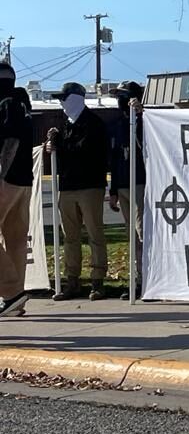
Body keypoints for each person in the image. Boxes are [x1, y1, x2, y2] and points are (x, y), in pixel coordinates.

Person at [45, 82, 109, 301]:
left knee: (95, 234)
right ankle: (72, 280)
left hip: (90, 186)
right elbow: (64, 153)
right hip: (68, 186)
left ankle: (98, 281)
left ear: (76, 98)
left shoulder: (94, 124)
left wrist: (60, 144)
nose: (61, 103)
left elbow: (84, 151)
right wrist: (51, 146)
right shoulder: (63, 126)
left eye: (64, 98)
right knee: (69, 237)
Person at [0, 64, 33, 317]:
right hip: (24, 179)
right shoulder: (23, 101)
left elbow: (11, 139)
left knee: (15, 238)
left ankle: (11, 292)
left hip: (8, 179)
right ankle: (16, 300)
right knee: (16, 239)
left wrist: (1, 176)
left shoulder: (7, 103)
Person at [108, 80, 145, 300]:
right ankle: (135, 277)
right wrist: (112, 189)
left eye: (123, 96)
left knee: (142, 233)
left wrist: (140, 116)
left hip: (140, 182)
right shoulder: (117, 125)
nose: (120, 101)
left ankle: (145, 278)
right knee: (131, 234)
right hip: (122, 183)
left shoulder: (144, 122)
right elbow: (113, 158)